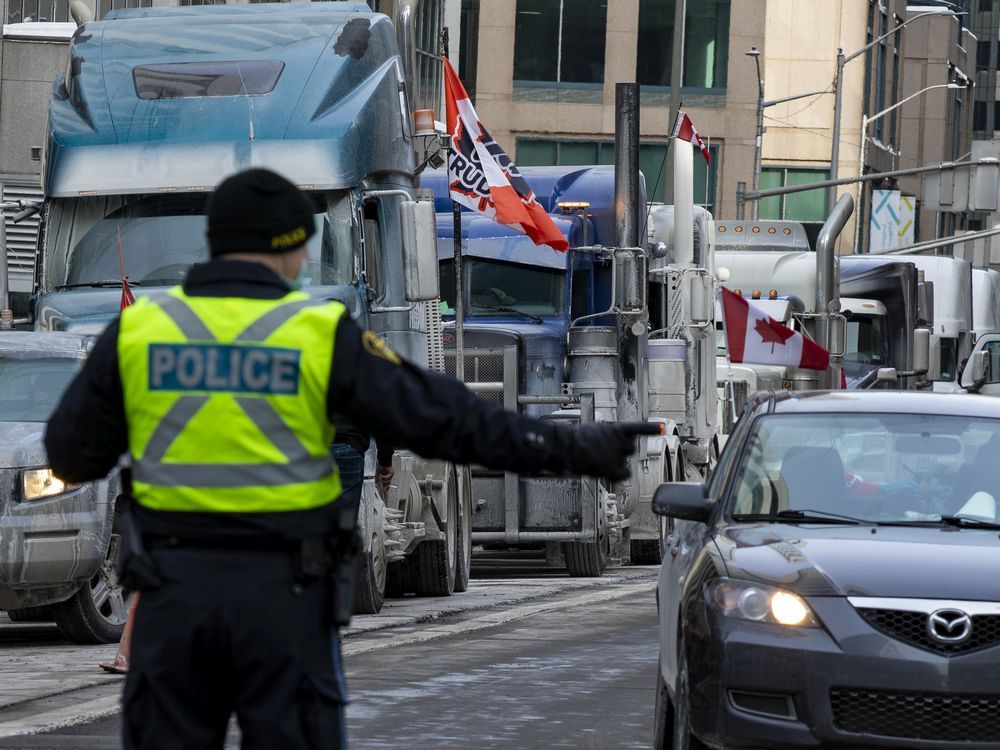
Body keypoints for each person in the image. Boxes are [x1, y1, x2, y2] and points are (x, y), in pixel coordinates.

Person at [43, 168, 652, 750]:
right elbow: (447, 420)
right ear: (285, 247)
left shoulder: (142, 331)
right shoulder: (314, 332)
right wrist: (572, 447)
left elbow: (70, 454)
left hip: (175, 600)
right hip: (283, 603)